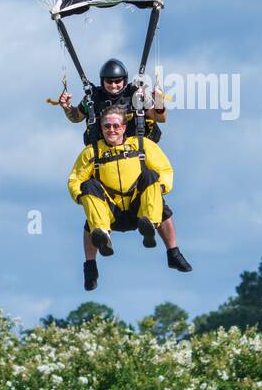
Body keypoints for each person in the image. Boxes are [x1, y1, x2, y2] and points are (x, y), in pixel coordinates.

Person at [67, 104, 192, 290]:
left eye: (116, 126)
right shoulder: (92, 152)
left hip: (139, 210)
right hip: (110, 214)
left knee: (152, 178)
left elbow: (165, 170)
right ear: (101, 128)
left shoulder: (141, 145)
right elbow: (75, 179)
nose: (111, 130)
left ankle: (155, 232)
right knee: (88, 187)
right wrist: (80, 196)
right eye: (107, 126)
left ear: (124, 127)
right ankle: (99, 246)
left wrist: (161, 187)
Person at [58, 58, 166, 143]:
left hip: (137, 151)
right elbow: (76, 117)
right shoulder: (93, 98)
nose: (113, 85)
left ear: (124, 80)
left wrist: (159, 101)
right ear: (102, 81)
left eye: (118, 81)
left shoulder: (136, 94)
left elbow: (160, 118)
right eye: (109, 81)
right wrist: (66, 106)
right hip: (105, 154)